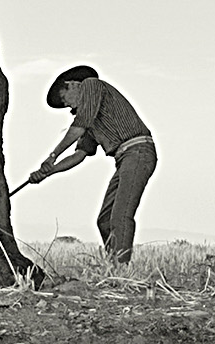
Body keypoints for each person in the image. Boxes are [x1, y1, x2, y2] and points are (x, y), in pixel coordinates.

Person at [24, 64, 156, 263]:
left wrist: (52, 156)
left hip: (138, 151)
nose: (68, 107)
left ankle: (120, 272)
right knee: (104, 220)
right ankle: (112, 266)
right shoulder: (91, 120)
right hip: (123, 160)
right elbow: (79, 155)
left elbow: (78, 126)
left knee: (120, 215)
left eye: (64, 99)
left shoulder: (91, 85)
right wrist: (47, 172)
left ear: (72, 85)